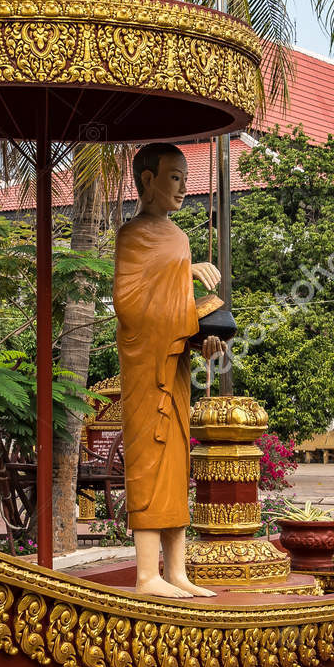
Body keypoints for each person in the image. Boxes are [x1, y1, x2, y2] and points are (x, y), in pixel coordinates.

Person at [114, 143, 225, 598]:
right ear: (147, 180)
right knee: (148, 461)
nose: (183, 187)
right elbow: (130, 304)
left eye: (184, 177)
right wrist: (184, 274)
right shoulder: (132, 235)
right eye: (174, 177)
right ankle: (146, 575)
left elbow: (176, 305)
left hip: (175, 365)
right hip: (146, 367)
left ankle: (175, 570)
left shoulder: (179, 237)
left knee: (177, 462)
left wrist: (204, 339)